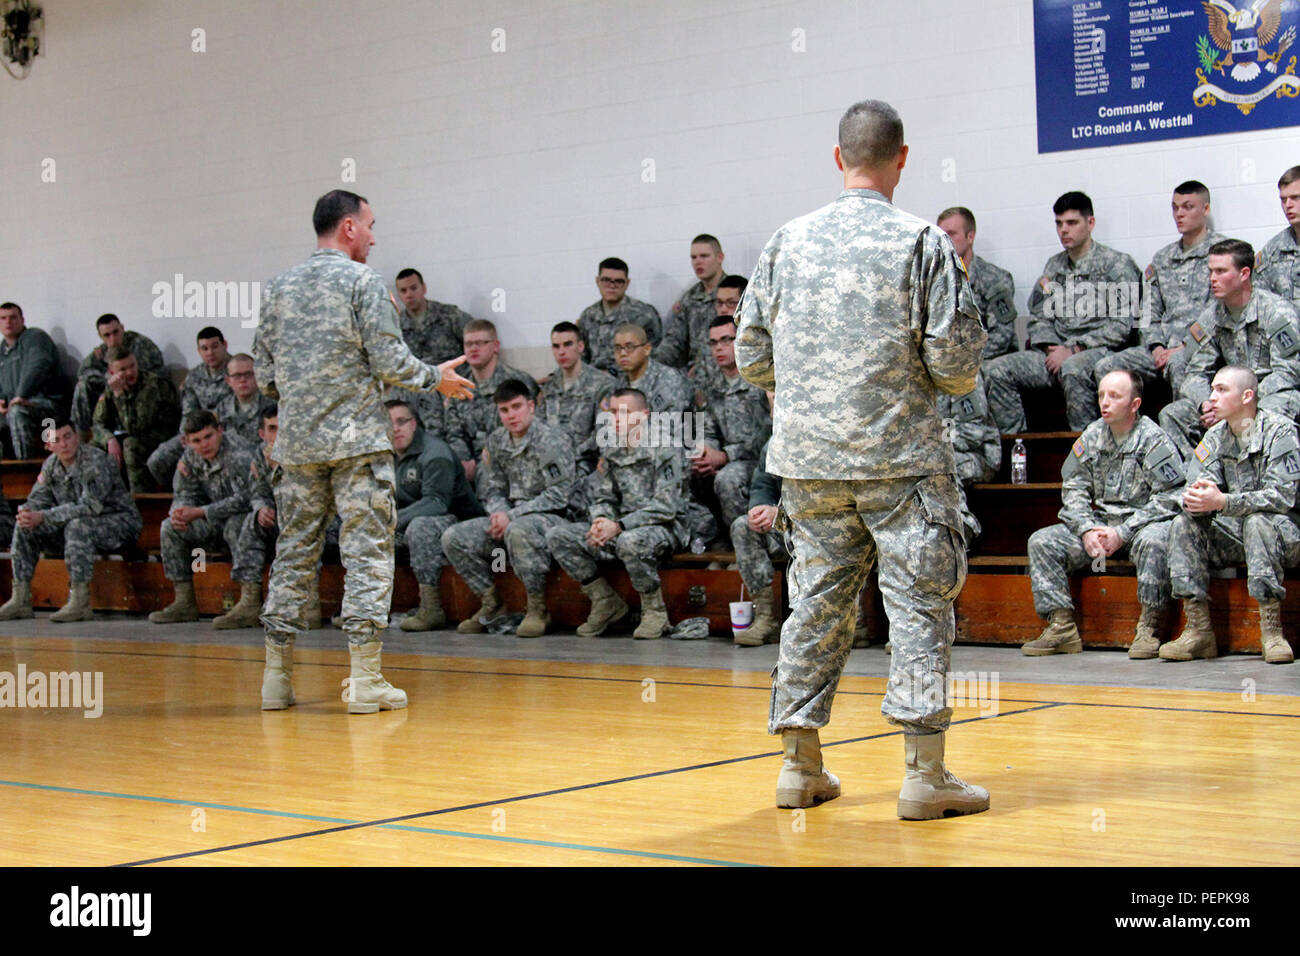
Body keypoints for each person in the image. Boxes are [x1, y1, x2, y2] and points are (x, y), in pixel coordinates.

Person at [735, 99, 989, 819]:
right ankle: (923, 776)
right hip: (900, 462)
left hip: (809, 465)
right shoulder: (922, 243)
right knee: (916, 607)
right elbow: (959, 366)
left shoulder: (787, 241)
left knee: (814, 607)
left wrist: (809, 390)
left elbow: (751, 354)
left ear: (837, 157)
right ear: (902, 158)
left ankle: (799, 767)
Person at [252, 189, 473, 714]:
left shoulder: (278, 288)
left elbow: (263, 375)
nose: (374, 236)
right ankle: (366, 680)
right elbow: (392, 361)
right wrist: (434, 378)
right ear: (348, 227)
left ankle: (276, 681)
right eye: (370, 225)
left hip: (299, 447)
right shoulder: (362, 282)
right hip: (356, 446)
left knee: (293, 556)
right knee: (367, 555)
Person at [1022, 370, 1183, 659]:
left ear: (1134, 404)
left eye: (1114, 396)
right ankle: (1062, 628)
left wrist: (1124, 532)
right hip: (1100, 528)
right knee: (1042, 541)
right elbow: (1073, 488)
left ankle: (1150, 628)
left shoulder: (1153, 440)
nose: (1104, 403)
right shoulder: (1093, 435)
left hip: (1140, 528)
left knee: (1156, 540)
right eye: (1101, 395)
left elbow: (1172, 496)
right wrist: (1085, 529)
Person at [1164, 366, 1300, 664]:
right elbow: (1196, 484)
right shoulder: (1214, 437)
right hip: (1235, 534)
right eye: (1212, 389)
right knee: (1183, 522)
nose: (1212, 397)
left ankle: (1272, 632)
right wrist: (1196, 498)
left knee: (1258, 521)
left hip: (1283, 535)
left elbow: (1283, 497)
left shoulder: (1280, 431)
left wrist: (1223, 501)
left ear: (1247, 396)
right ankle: (1198, 631)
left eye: (1222, 390)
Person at [983, 192, 1141, 432]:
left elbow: (1122, 326)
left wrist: (1074, 348)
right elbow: (1040, 318)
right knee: (997, 370)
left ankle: (1086, 451)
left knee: (1073, 368)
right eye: (1059, 223)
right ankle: (1018, 452)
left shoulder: (1116, 264)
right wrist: (1050, 347)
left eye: (1072, 223)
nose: (1064, 230)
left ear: (1090, 223)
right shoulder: (1053, 266)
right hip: (1055, 353)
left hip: (1097, 352)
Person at [545, 388, 691, 639]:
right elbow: (603, 496)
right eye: (612, 412)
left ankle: (654, 612)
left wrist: (619, 525)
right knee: (559, 535)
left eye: (624, 412)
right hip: (620, 526)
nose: (616, 418)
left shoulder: (666, 447)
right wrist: (601, 520)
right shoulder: (612, 448)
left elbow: (666, 507)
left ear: (644, 414)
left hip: (666, 527)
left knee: (629, 541)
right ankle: (605, 601)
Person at [442, 380, 574, 637]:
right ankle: (492, 604)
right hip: (508, 519)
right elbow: (492, 488)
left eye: (517, 407)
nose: (511, 415)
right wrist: (498, 514)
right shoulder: (496, 441)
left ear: (531, 406)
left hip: (553, 519)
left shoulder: (551, 439)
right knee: (454, 537)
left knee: (518, 530)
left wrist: (510, 517)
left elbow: (559, 496)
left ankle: (537, 609)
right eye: (504, 410)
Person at [1157, 239, 1300, 462]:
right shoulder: (1211, 316)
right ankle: (1198, 478)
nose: (1212, 279)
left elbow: (1288, 373)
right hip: (1226, 398)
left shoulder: (1277, 312)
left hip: (1268, 394)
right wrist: (1208, 403)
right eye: (1211, 271)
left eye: (1221, 271)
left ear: (1244, 274)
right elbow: (1195, 372)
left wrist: (1240, 403)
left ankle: (1260, 484)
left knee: (1269, 414)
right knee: (1173, 415)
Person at [0, 418, 142, 622]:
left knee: (77, 526)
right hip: (74, 527)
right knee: (24, 527)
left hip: (118, 523)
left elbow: (89, 507)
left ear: (77, 437)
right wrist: (27, 513)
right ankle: (20, 599)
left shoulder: (96, 460)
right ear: (48, 446)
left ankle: (80, 602)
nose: (64, 444)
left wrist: (44, 516)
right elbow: (37, 499)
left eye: (68, 436)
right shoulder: (51, 465)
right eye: (56, 440)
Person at [1094, 181, 1225, 394]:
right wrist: (1156, 347)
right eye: (1175, 207)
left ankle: (1184, 425)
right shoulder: (1163, 258)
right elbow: (1149, 311)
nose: (1179, 214)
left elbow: (1218, 313)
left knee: (1179, 364)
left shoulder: (1221, 253)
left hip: (1200, 348)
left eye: (1188, 207)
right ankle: (1130, 427)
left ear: (1206, 209)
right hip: (1160, 349)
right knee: (1107, 367)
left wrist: (1183, 348)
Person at [148, 411, 258, 627]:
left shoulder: (240, 454)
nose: (204, 445)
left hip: (249, 520)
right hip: (215, 520)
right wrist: (179, 513)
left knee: (238, 524)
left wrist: (200, 512)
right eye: (196, 441)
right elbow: (184, 492)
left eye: (208, 437)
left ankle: (250, 603)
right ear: (187, 442)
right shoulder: (190, 456)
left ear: (220, 430)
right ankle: (184, 603)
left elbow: (247, 499)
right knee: (170, 527)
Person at [388, 399, 484, 632]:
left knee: (420, 527)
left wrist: (392, 520)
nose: (396, 428)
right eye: (389, 424)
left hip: (460, 521)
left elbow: (436, 503)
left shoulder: (434, 453)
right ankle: (367, 608)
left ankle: (431, 609)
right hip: (413, 520)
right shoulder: (385, 455)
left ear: (414, 423)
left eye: (402, 422)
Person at [234, 405, 324, 630]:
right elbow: (257, 492)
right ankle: (249, 601)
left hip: (317, 521)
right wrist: (262, 508)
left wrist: (280, 469)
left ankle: (309, 604)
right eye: (272, 429)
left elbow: (310, 500)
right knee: (250, 521)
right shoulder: (260, 454)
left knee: (301, 525)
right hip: (279, 519)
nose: (279, 434)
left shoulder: (307, 452)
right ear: (262, 434)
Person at [693, 315, 772, 538]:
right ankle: (712, 540)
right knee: (690, 470)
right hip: (725, 459)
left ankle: (750, 542)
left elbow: (769, 434)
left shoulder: (761, 378)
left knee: (728, 478)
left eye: (727, 340)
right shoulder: (709, 385)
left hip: (761, 461)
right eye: (714, 342)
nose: (719, 347)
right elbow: (706, 427)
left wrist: (726, 455)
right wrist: (706, 452)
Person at [442, 319, 535, 485]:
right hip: (470, 468)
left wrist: (483, 464)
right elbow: (454, 433)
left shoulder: (518, 383)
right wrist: (464, 462)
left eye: (480, 343)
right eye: (468, 344)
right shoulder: (458, 387)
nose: (473, 349)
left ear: (495, 346)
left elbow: (530, 430)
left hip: (510, 464)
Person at [145, 326, 233, 487]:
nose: (210, 353)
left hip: (226, 432)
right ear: (199, 351)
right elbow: (188, 412)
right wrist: (188, 438)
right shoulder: (194, 376)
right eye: (204, 348)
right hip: (196, 434)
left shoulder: (236, 371)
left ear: (224, 345)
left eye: (215, 346)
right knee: (157, 460)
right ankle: (180, 493)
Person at [90, 346, 181, 491]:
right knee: (92, 449)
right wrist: (109, 439)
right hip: (128, 433)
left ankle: (140, 499)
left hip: (160, 433)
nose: (130, 372)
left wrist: (119, 395)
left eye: (132, 365)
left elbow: (136, 427)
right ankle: (104, 498)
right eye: (123, 369)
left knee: (131, 445)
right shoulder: (112, 386)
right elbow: (97, 422)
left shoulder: (152, 385)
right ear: (112, 372)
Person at [936, 207, 1018, 363]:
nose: (944, 241)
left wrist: (961, 360)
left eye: (952, 234)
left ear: (970, 237)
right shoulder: (936, 281)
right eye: (941, 235)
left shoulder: (994, 279)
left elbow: (1001, 337)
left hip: (988, 361)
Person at [536, 321, 616, 481]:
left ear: (580, 346)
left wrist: (572, 453)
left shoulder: (602, 384)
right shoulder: (550, 385)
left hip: (586, 462)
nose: (562, 352)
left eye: (567, 344)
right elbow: (539, 426)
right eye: (556, 346)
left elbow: (604, 433)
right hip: (551, 461)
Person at [71, 314, 164, 434]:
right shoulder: (104, 350)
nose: (113, 339)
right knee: (82, 386)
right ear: (101, 337)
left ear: (122, 328)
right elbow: (84, 371)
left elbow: (138, 375)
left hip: (144, 389)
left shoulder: (139, 344)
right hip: (116, 389)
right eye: (107, 335)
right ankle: (81, 438)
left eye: (116, 332)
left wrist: (114, 379)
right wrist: (108, 380)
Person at [577, 258, 663, 374]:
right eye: (606, 280)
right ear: (597, 281)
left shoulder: (644, 314)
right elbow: (581, 356)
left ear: (627, 283)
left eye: (618, 281)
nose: (612, 286)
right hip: (595, 385)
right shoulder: (588, 316)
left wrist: (614, 372)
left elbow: (655, 356)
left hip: (630, 382)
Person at [0, 302, 63, 460]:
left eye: (13, 317)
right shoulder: (2, 351)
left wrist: (21, 396)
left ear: (22, 320)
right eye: (3, 318)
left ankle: (26, 469)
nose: (8, 322)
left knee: (17, 412)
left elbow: (38, 366)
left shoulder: (35, 337)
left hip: (49, 408)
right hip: (17, 405)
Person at [394, 267, 475, 366]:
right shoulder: (395, 326)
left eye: (413, 288)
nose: (409, 295)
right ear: (398, 294)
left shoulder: (449, 315)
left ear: (424, 288)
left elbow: (478, 340)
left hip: (454, 377)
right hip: (419, 379)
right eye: (403, 291)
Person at [612, 323, 692, 415]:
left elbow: (670, 426)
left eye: (630, 347)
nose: (623, 353)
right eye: (618, 348)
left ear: (647, 349)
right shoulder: (620, 381)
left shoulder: (668, 380)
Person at [1254, 165, 1300, 307]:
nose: (1288, 205)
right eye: (1283, 199)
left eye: (1295, 198)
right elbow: (1257, 295)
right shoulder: (1274, 248)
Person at [212, 353, 278, 446]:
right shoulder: (221, 410)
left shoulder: (274, 407)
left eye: (248, 374)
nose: (243, 380)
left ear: (257, 376)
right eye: (237, 375)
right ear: (228, 381)